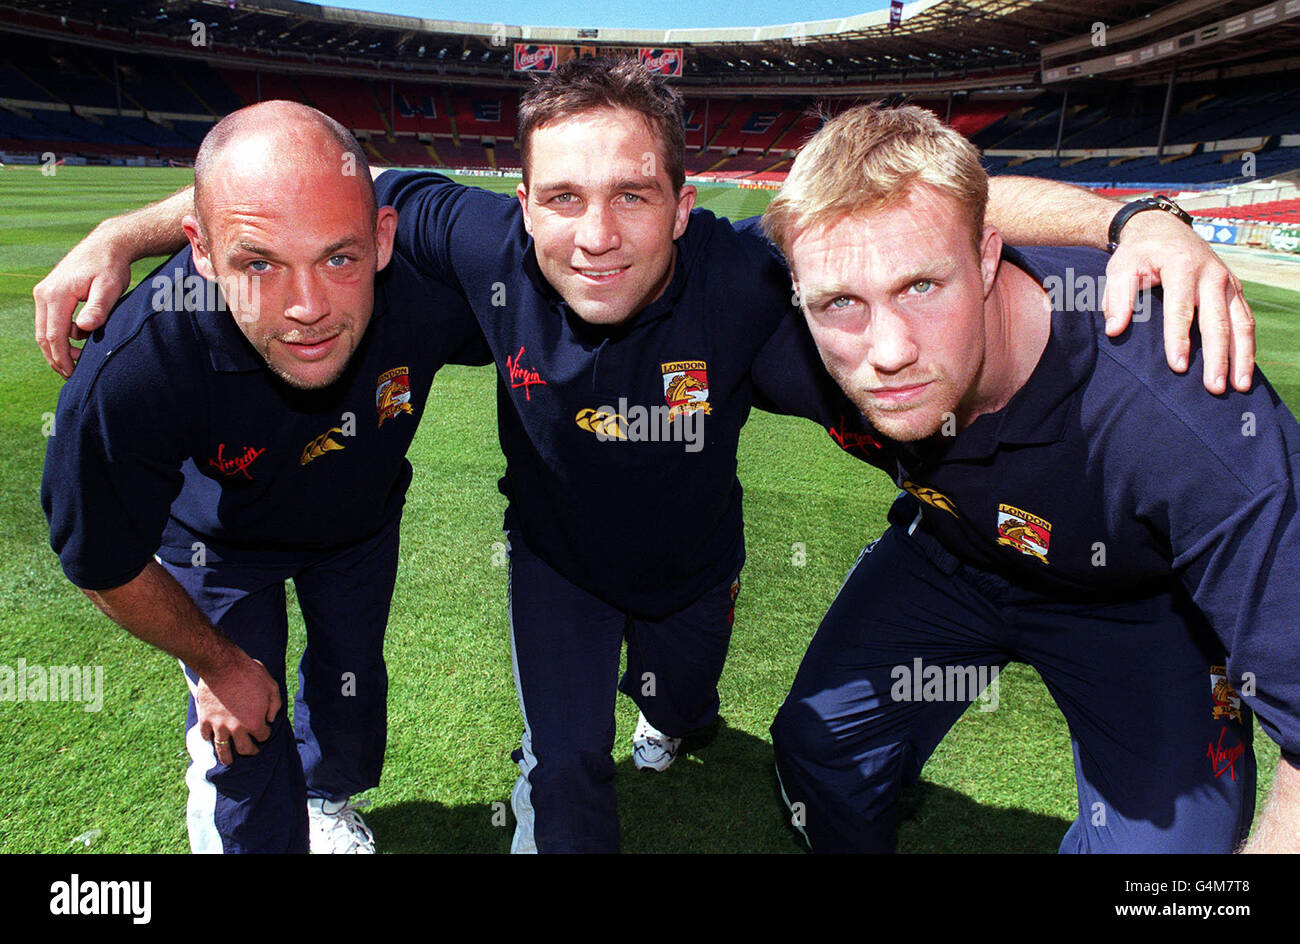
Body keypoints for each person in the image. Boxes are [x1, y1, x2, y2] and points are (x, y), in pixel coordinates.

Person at [34, 58, 1256, 853]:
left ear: (686, 204)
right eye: (559, 197)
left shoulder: (760, 287)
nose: (595, 232)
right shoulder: (460, 244)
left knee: (681, 714)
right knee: (564, 784)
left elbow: (932, 217)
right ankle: (500, 787)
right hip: (543, 562)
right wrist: (126, 228)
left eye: (631, 195)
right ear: (516, 204)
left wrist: (1137, 216)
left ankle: (670, 706)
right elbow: (289, 201)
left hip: (690, 565)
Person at [757, 102, 1300, 852]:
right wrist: (1131, 216)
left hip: (1140, 608)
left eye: (922, 287)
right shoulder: (785, 325)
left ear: (986, 259)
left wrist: (1140, 218)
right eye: (840, 302)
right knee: (821, 750)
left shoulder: (1184, 415)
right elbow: (629, 257)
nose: (886, 350)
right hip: (948, 556)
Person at [40, 101, 488, 853]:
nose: (307, 309)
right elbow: (101, 558)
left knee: (350, 683)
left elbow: (586, 277)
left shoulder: (432, 285)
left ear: (382, 240)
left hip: (358, 527)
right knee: (240, 725)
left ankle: (327, 797)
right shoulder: (137, 365)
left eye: (339, 258)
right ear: (204, 253)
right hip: (218, 545)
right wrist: (214, 664)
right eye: (258, 264)